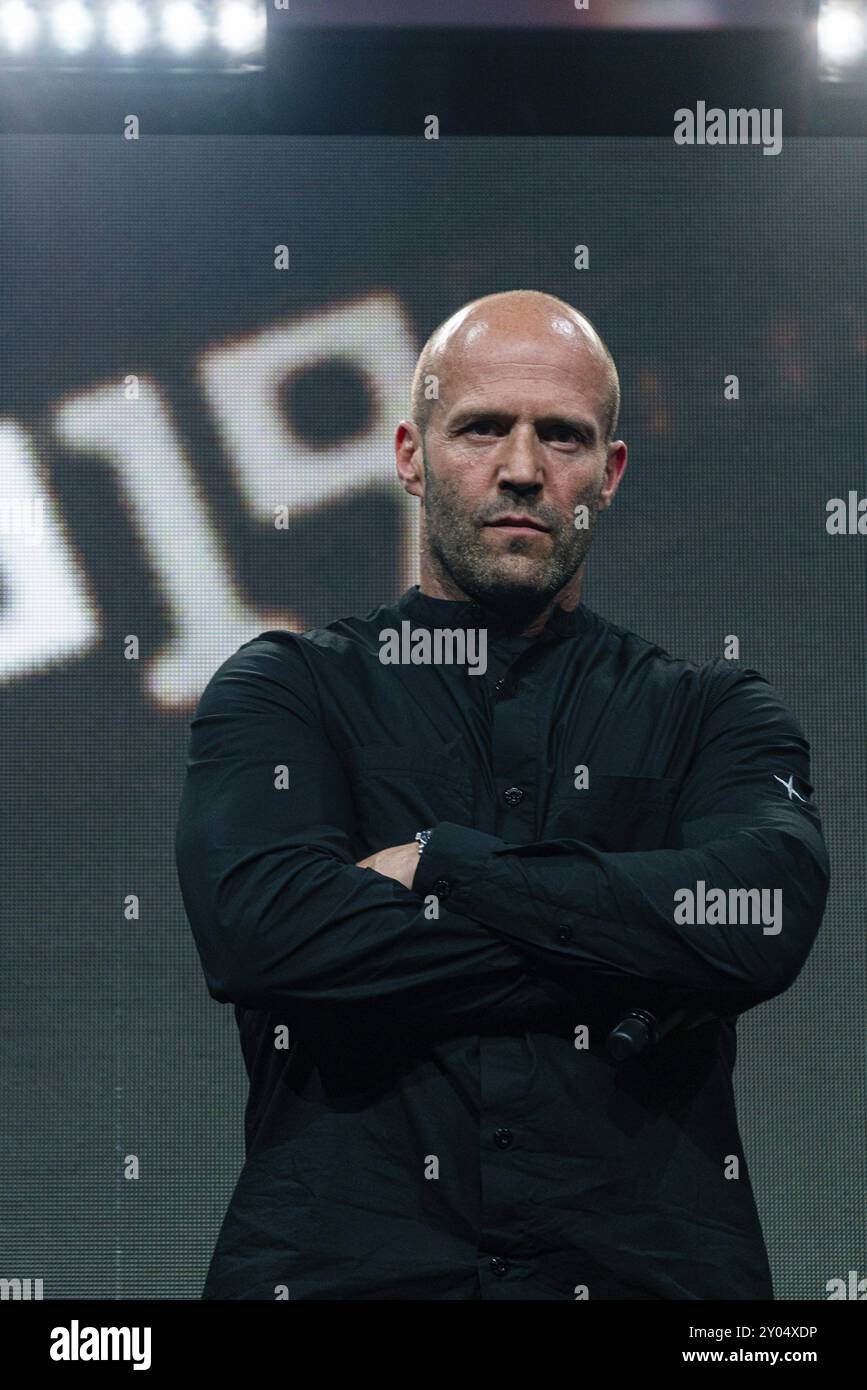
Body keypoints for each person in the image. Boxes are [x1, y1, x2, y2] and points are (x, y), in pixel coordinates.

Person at [175, 289, 829, 1300]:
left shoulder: (714, 711)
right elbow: (263, 930)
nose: (523, 468)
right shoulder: (285, 690)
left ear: (608, 473)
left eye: (562, 436)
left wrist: (442, 865)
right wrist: (635, 949)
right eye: (483, 427)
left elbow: (761, 913)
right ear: (409, 454)